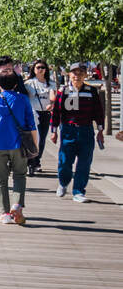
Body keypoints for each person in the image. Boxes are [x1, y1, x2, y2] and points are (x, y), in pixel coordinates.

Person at [0, 72, 35, 225]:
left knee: (0, 181)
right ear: (16, 84)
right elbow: (31, 124)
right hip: (18, 145)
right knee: (19, 176)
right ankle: (17, 205)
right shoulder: (23, 100)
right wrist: (34, 144)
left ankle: (4, 214)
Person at [49, 62, 106, 202]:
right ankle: (63, 182)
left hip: (86, 130)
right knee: (65, 161)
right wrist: (54, 131)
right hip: (68, 130)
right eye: (74, 73)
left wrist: (100, 130)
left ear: (85, 75)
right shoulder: (63, 91)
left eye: (81, 73)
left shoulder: (91, 91)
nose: (77, 76)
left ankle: (79, 191)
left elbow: (98, 112)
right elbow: (56, 111)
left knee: (84, 162)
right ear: (69, 74)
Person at [23, 59, 56, 175]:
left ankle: (36, 160)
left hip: (45, 113)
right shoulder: (28, 83)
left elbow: (53, 96)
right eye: (38, 67)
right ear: (34, 69)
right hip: (32, 113)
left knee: (41, 139)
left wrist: (51, 103)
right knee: (32, 139)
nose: (40, 69)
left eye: (43, 67)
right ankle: (32, 162)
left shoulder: (51, 83)